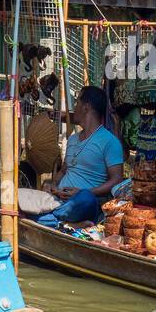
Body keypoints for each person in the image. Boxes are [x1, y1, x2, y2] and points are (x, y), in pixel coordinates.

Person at [35, 85, 124, 226]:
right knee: (23, 198)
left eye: (77, 102)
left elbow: (117, 180)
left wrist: (84, 191)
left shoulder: (109, 142)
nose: (74, 107)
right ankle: (64, 223)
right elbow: (64, 170)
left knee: (86, 199)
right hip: (58, 200)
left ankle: (50, 218)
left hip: (82, 203)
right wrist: (52, 185)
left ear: (86, 107)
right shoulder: (72, 139)